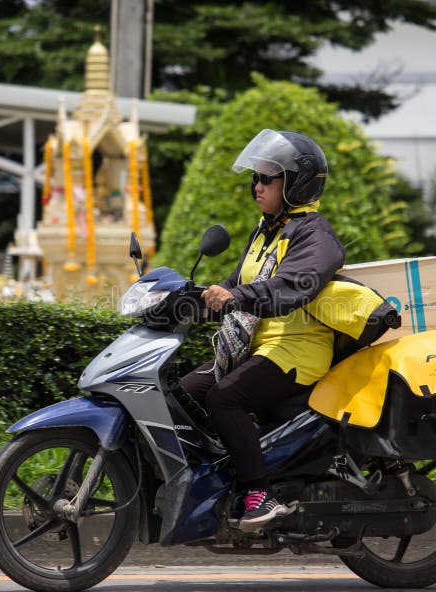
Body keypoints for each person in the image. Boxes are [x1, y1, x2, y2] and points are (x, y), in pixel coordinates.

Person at [181, 129, 345, 531]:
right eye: (254, 177)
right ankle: (231, 471)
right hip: (260, 346)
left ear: (294, 183)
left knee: (224, 398)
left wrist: (235, 297)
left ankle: (261, 493)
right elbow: (234, 286)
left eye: (267, 177)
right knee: (183, 393)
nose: (257, 185)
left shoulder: (314, 236)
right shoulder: (265, 231)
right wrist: (181, 299)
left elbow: (294, 285)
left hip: (296, 349)